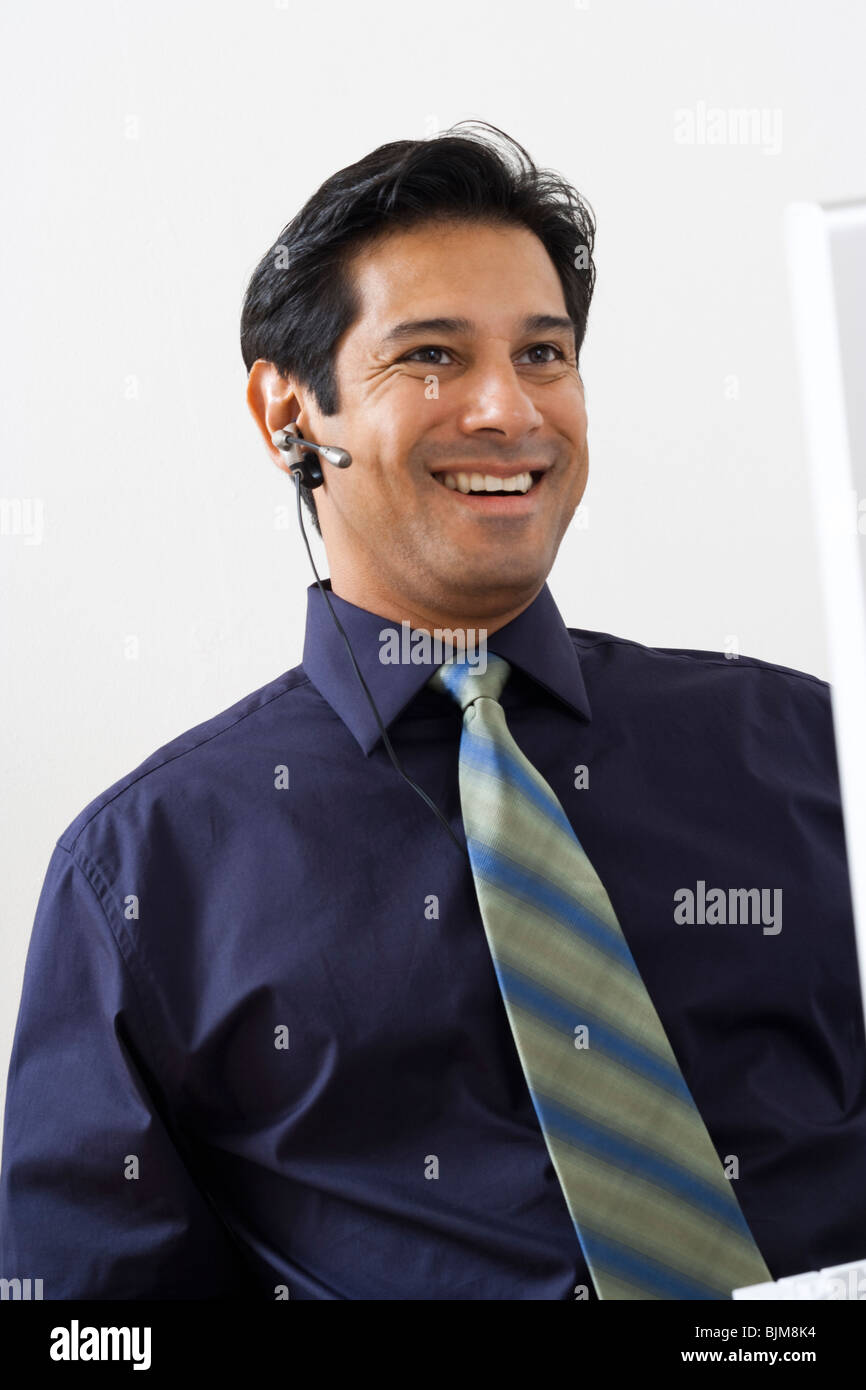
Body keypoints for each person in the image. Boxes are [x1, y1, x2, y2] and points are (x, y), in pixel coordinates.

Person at [1, 121, 863, 1301]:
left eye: (544, 354)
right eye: (432, 358)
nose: (508, 409)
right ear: (288, 416)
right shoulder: (146, 868)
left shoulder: (813, 750)